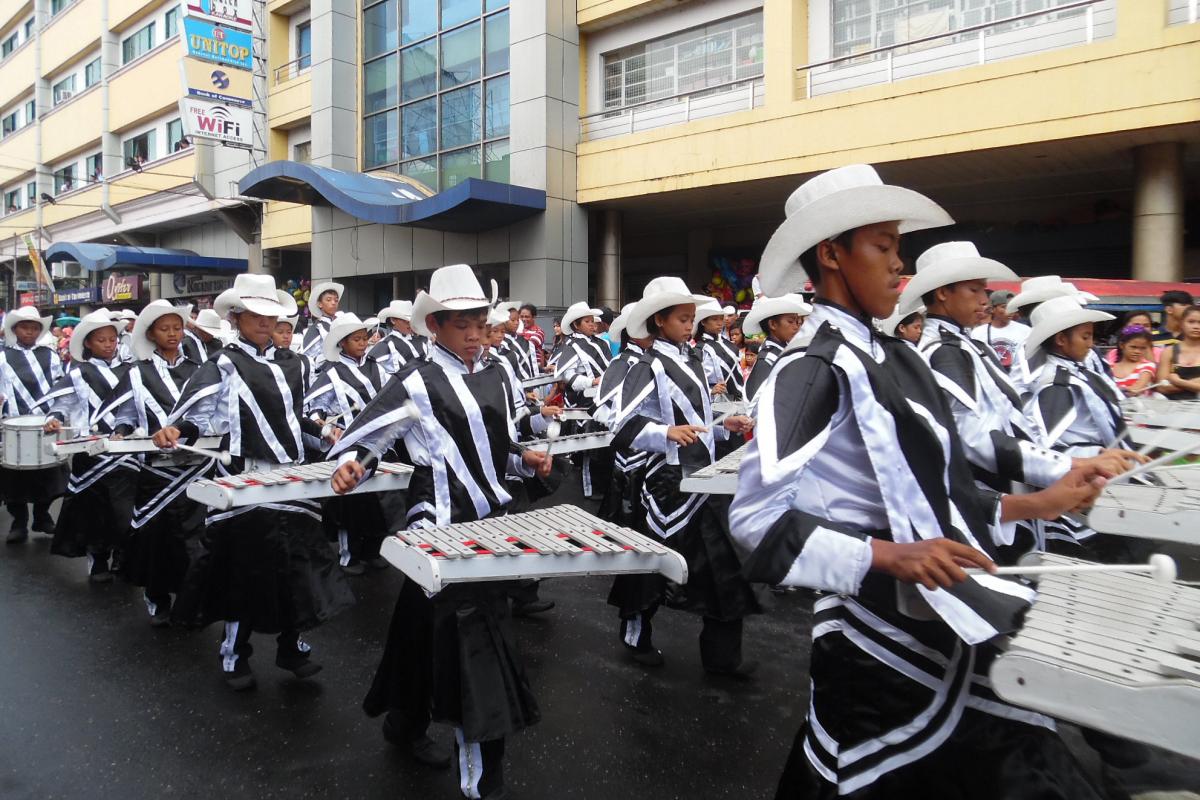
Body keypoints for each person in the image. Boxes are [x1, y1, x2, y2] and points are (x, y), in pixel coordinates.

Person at [729, 163, 1111, 799]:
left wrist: (1043, 497)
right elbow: (754, 521)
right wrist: (891, 555)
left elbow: (941, 490)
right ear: (831, 254)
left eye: (897, 247)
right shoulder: (811, 366)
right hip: (877, 640)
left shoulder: (894, 355)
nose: (898, 264)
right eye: (882, 246)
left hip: (941, 611)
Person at [329, 264, 553, 800]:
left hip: (492, 522)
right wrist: (354, 463)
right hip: (439, 527)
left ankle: (402, 724)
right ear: (435, 325)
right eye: (461, 324)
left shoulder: (499, 373)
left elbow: (508, 448)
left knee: (419, 628)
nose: (475, 333)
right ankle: (482, 778)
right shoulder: (414, 379)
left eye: (480, 321)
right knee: (475, 641)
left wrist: (531, 459)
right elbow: (365, 436)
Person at [153, 273, 352, 691]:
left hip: (292, 475)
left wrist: (325, 433)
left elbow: (297, 418)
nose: (265, 322)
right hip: (243, 475)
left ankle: (291, 647)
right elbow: (201, 415)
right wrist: (178, 430)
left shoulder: (295, 363)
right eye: (256, 315)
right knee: (245, 570)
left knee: (297, 567)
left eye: (271, 316)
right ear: (237, 317)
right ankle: (234, 653)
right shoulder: (223, 362)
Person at [900, 242, 1134, 557]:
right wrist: (1070, 464)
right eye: (974, 290)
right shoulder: (945, 352)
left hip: (1001, 493)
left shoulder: (958, 344)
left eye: (984, 290)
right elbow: (974, 438)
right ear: (943, 293)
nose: (985, 299)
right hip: (987, 505)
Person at [610, 276, 759, 674]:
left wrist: (728, 423)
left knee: (722, 567)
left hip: (703, 477)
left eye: (692, 318)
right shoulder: (648, 365)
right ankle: (635, 633)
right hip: (667, 484)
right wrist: (664, 433)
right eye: (682, 318)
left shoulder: (690, 358)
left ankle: (723, 659)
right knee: (652, 567)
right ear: (659, 320)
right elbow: (620, 425)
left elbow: (697, 418)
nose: (689, 324)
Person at [99, 300, 209, 625]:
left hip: (194, 467)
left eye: (177, 327)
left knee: (193, 540)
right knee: (157, 539)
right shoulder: (137, 372)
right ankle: (156, 596)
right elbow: (128, 412)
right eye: (165, 329)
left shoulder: (197, 370)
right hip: (155, 470)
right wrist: (120, 430)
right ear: (151, 333)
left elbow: (206, 413)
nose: (173, 334)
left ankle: (190, 602)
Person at [45, 309, 136, 582]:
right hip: (90, 451)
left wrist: (124, 429)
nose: (109, 345)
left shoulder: (130, 370)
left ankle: (122, 552)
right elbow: (63, 403)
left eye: (112, 339)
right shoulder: (78, 372)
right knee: (94, 509)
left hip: (124, 450)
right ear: (88, 343)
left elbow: (135, 407)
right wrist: (54, 418)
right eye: (102, 340)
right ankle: (97, 557)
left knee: (124, 509)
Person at [304, 313, 389, 576]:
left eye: (365, 337)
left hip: (378, 445)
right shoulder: (332, 372)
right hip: (346, 446)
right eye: (357, 339)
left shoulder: (377, 367)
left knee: (374, 503)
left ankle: (372, 551)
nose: (363, 342)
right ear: (343, 343)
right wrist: (328, 429)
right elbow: (312, 410)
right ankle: (348, 556)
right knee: (349, 505)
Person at [0, 305, 67, 542]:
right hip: (12, 424)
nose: (29, 332)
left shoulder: (49, 355)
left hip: (46, 422)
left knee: (49, 472)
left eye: (34, 328)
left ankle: (42, 515)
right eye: (24, 327)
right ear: (15, 329)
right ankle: (18, 522)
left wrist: (59, 412)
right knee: (13, 475)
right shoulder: (2, 357)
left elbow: (60, 384)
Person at [742, 293, 812, 402]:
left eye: (798, 322)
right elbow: (757, 402)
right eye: (790, 321)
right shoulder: (768, 359)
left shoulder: (784, 351)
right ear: (773, 324)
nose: (796, 326)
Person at [695, 300, 744, 402]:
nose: (719, 323)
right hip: (715, 401)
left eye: (721, 319)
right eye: (714, 319)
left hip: (737, 398)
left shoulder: (727, 342)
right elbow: (694, 378)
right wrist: (710, 390)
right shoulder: (700, 348)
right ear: (703, 322)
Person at [970, 288, 1030, 370]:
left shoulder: (1025, 331)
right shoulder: (978, 333)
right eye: (1004, 307)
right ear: (992, 309)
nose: (1010, 311)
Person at [370, 300, 429, 375]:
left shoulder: (421, 341)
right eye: (406, 321)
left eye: (411, 321)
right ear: (393, 320)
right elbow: (371, 367)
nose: (410, 324)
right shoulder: (386, 343)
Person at [1155, 304, 1200, 400]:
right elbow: (1161, 387)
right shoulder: (1169, 351)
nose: (1196, 326)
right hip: (1173, 409)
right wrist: (1195, 383)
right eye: (1191, 322)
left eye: (1199, 322)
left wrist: (1177, 381)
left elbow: (1168, 384)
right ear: (1182, 324)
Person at [298, 280, 344, 367]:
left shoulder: (340, 324)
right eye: (329, 300)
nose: (333, 303)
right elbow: (307, 356)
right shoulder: (317, 328)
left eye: (336, 300)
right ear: (320, 304)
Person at [1110, 324, 1158, 396]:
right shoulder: (1110, 367)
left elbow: (1137, 388)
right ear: (1121, 345)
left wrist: (1117, 391)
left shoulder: (1147, 366)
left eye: (1142, 348)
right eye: (1133, 347)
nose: (1137, 351)